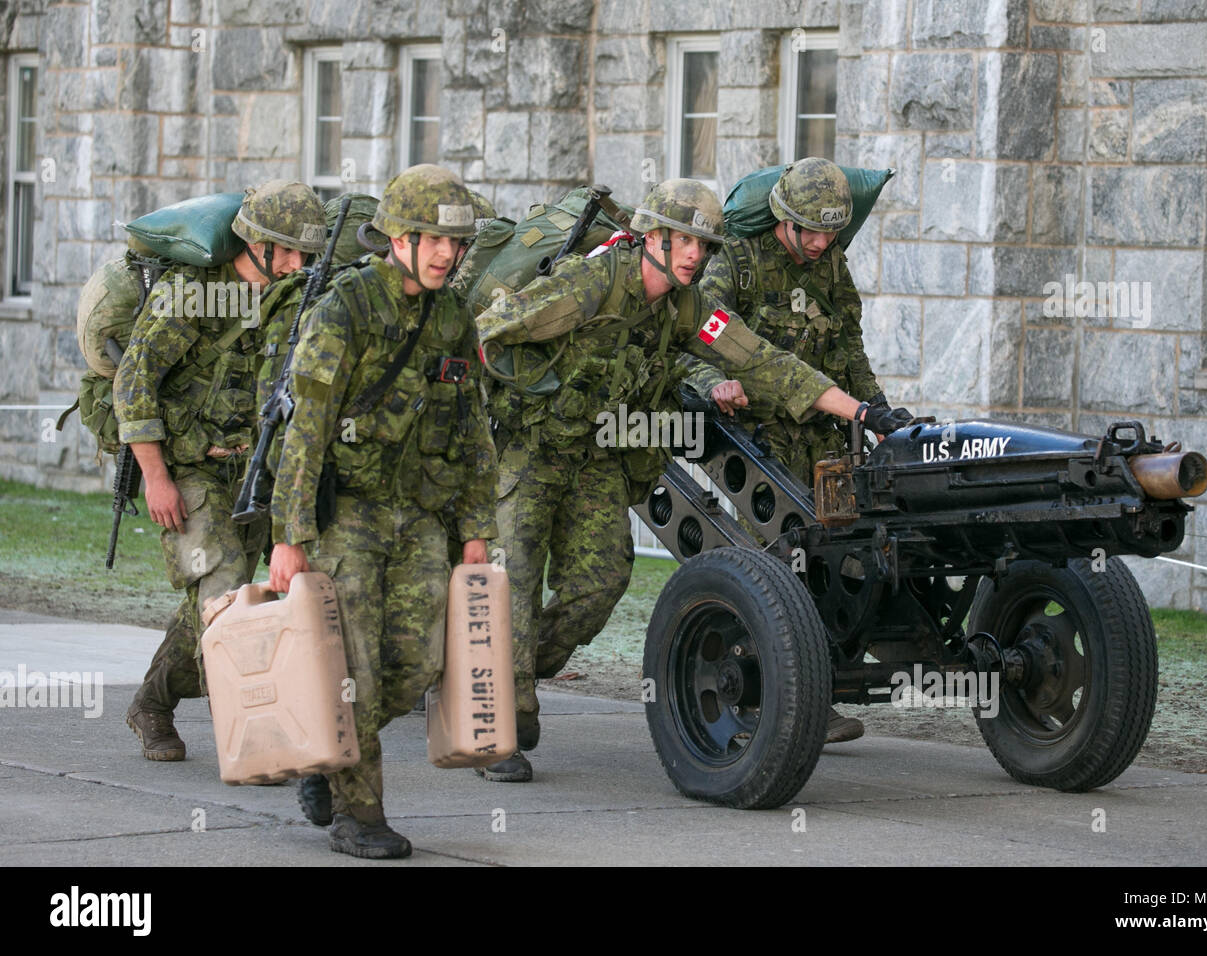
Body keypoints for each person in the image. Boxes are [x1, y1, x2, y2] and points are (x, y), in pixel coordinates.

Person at [476, 178, 906, 782]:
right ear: (651, 236)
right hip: (532, 448)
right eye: (682, 241)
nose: (693, 255)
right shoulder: (589, 285)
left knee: (600, 583)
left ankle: (510, 669)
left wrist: (862, 412)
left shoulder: (689, 308)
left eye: (703, 245)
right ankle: (498, 724)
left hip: (599, 453)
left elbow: (762, 361)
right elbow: (490, 332)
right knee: (513, 577)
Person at [266, 164, 498, 859]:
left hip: (420, 512)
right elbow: (307, 423)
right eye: (432, 240)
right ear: (396, 237)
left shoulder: (453, 315)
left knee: (418, 663)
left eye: (456, 244)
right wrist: (290, 534)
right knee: (356, 668)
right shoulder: (347, 306)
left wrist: (478, 526)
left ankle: (321, 755)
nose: (446, 254)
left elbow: (473, 427)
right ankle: (358, 816)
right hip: (349, 515)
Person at [682, 158, 914, 744]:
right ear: (781, 219)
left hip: (824, 438)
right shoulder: (734, 263)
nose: (818, 243)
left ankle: (817, 694)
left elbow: (849, 349)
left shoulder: (831, 266)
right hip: (758, 439)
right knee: (780, 566)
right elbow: (701, 338)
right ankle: (766, 704)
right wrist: (716, 385)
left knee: (839, 557)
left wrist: (880, 413)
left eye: (829, 232)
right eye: (807, 230)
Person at [118, 180, 328, 761]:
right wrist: (156, 477)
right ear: (253, 241)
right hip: (189, 469)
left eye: (305, 254)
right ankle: (255, 734)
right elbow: (133, 382)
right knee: (227, 592)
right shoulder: (195, 293)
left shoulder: (296, 299)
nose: (296, 264)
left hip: (253, 470)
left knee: (218, 604)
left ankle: (152, 703)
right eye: (285, 251)